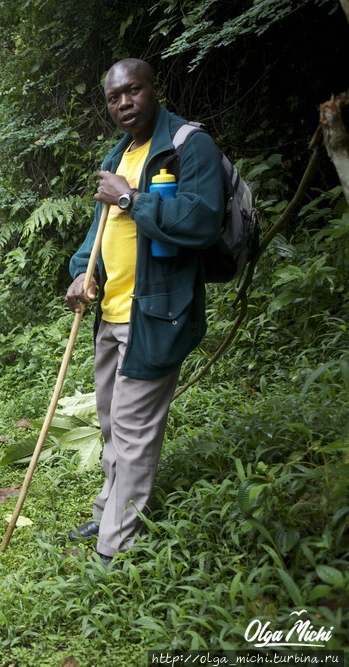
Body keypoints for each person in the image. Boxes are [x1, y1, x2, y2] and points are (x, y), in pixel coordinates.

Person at [64, 58, 224, 565]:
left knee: (133, 432)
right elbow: (99, 235)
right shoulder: (121, 151)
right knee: (112, 423)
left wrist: (131, 198)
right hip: (111, 312)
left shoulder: (187, 145)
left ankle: (117, 547)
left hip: (156, 313)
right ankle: (108, 509)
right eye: (114, 97)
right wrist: (80, 274)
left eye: (133, 91)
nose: (124, 103)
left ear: (156, 89)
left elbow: (202, 221)